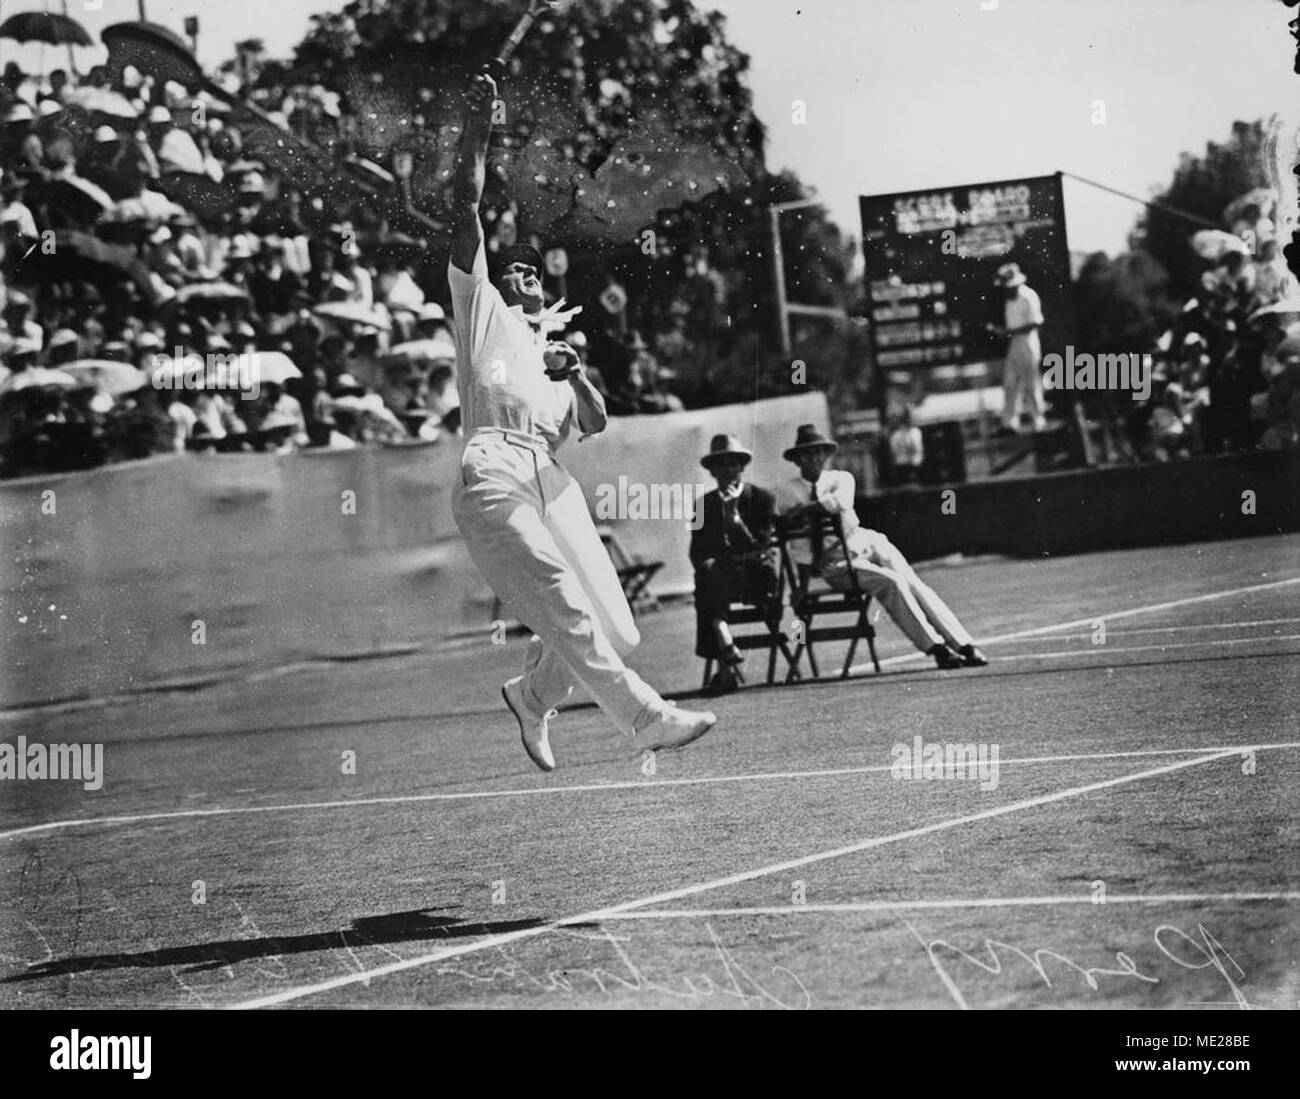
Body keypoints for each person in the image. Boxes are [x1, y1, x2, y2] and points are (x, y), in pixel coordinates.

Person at [446, 68, 715, 771]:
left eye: (533, 273)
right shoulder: (481, 311)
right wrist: (478, 121)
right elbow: (463, 204)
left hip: (549, 472)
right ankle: (644, 718)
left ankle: (531, 696)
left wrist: (576, 374)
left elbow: (594, 421)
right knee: (564, 605)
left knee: (617, 626)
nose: (522, 274)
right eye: (514, 271)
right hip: (493, 466)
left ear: (547, 291)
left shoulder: (561, 359)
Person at [774, 424, 988, 671]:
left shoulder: (841, 477)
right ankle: (936, 648)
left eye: (818, 452)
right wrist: (800, 587)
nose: (814, 459)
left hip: (863, 539)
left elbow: (839, 502)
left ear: (825, 454)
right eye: (807, 454)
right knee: (891, 582)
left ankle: (963, 645)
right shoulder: (787, 490)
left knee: (912, 581)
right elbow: (799, 543)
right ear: (797, 459)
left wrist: (806, 509)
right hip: (834, 559)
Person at [689, 433, 778, 693]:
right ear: (712, 472)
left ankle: (723, 651)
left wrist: (736, 522)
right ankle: (725, 642)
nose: (727, 471)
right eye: (721, 465)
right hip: (721, 581)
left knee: (708, 579)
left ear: (742, 467)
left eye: (732, 464)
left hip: (756, 578)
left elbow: (763, 546)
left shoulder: (762, 498)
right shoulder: (701, 505)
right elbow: (695, 552)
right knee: (706, 571)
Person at [988, 262, 1046, 434]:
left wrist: (1007, 331)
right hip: (1015, 343)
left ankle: (1038, 420)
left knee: (1031, 383)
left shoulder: (1029, 296)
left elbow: (1035, 323)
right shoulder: (1009, 301)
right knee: (1010, 382)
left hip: (1028, 343)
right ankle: (1010, 422)